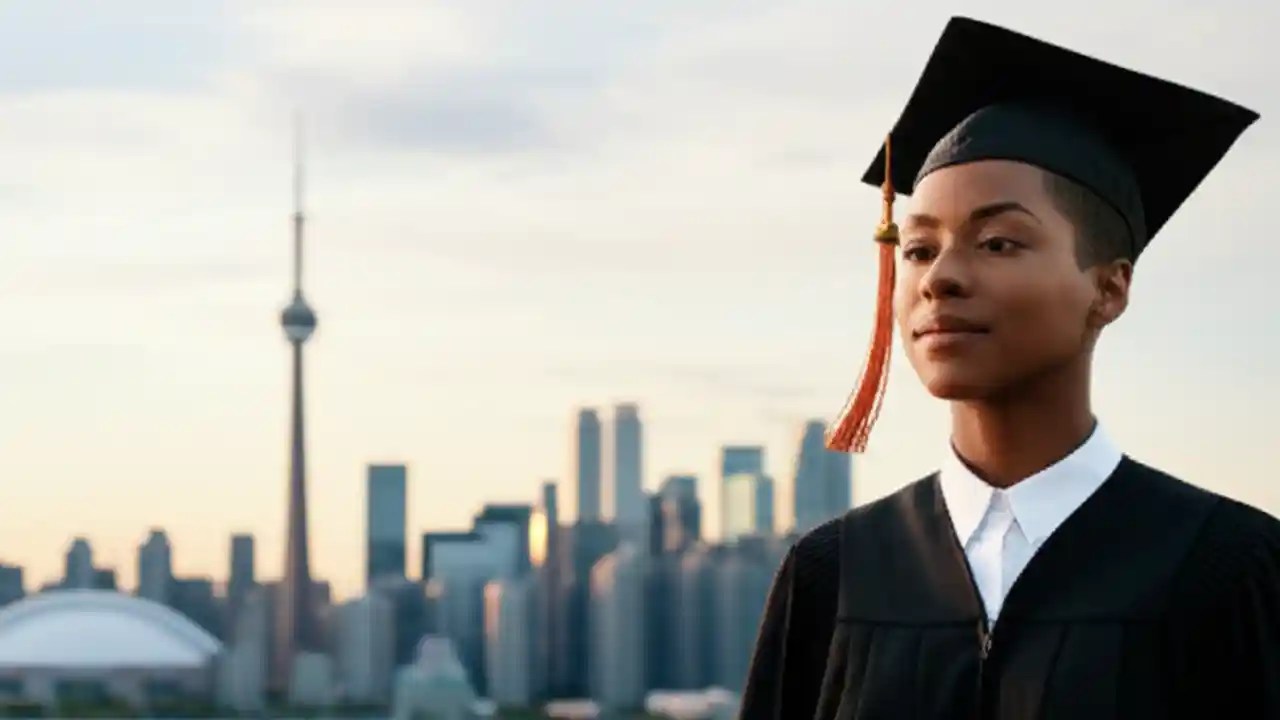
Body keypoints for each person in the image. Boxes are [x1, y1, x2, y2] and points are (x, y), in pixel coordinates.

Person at [738, 16, 1279, 720]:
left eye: (996, 243)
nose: (940, 279)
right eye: (918, 249)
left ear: (1110, 288)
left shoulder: (1228, 567)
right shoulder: (832, 574)